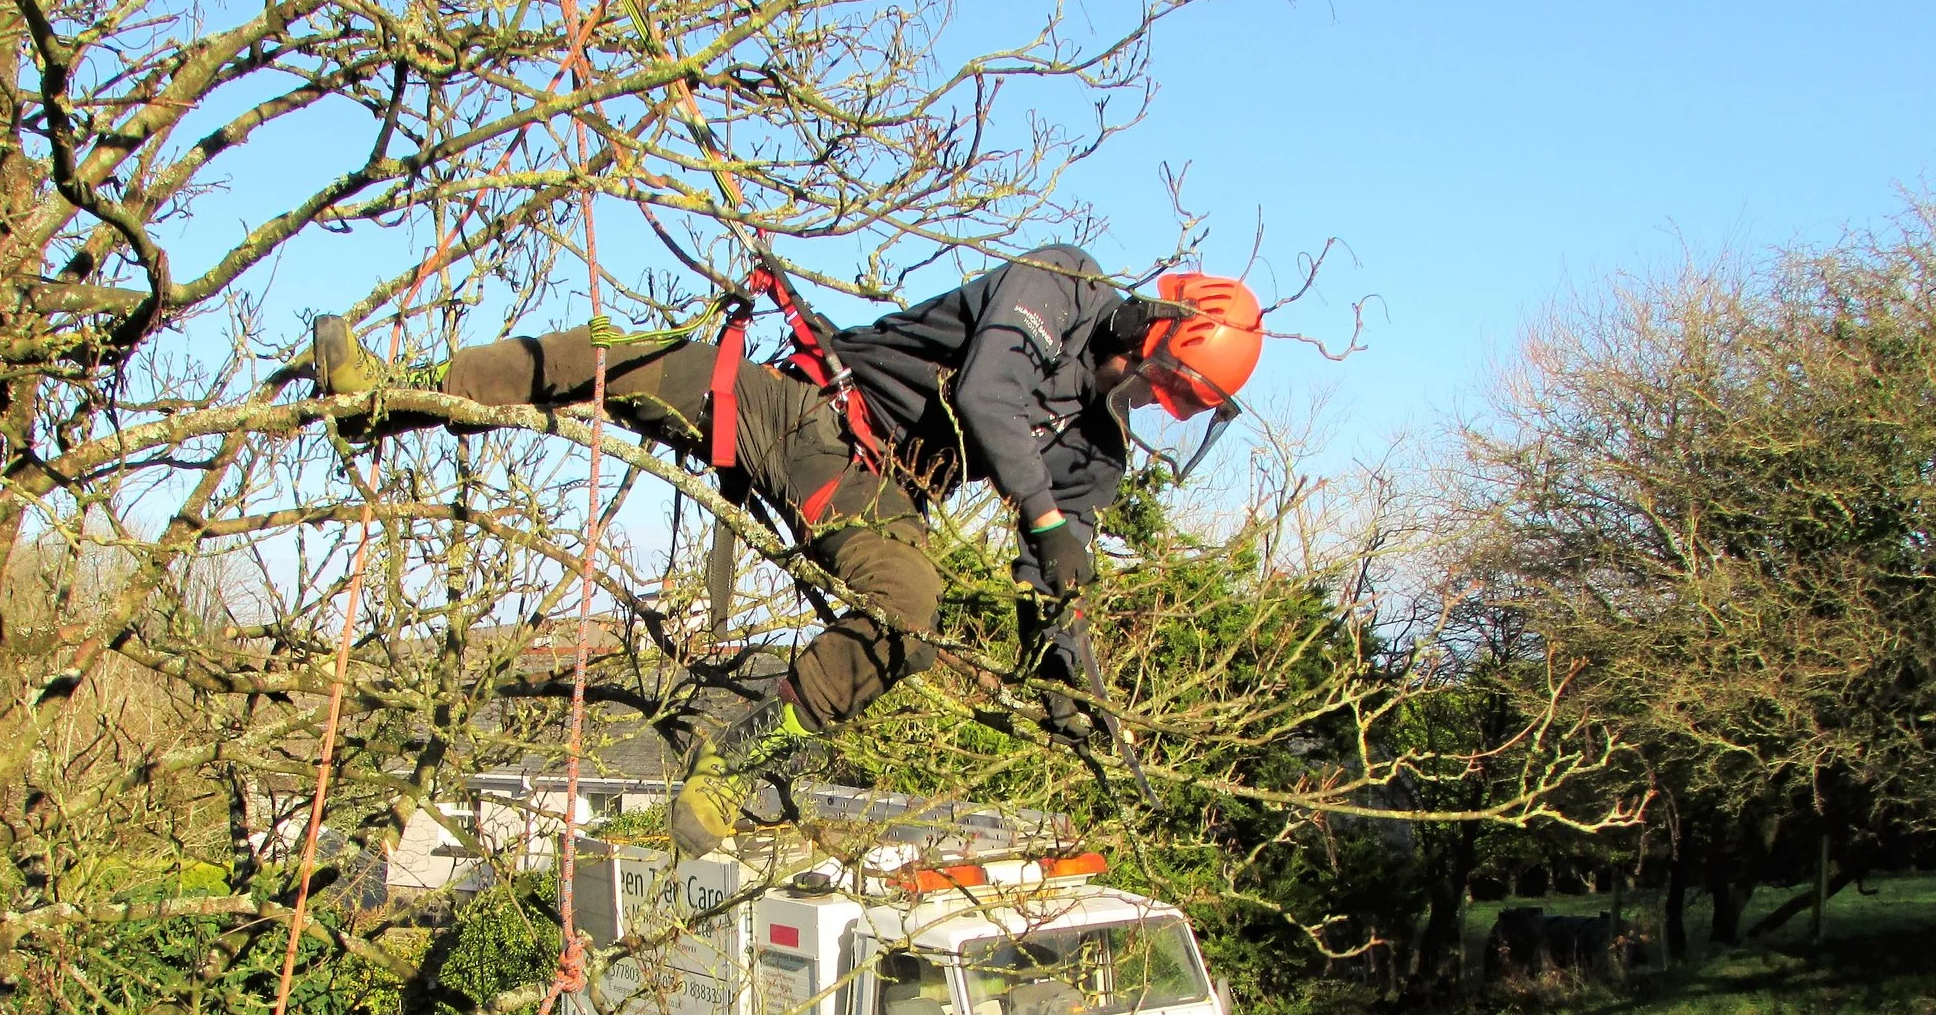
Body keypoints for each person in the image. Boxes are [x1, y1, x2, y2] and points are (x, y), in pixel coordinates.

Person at [318, 246, 1263, 855]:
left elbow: (1055, 571)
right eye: (1167, 385)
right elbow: (984, 399)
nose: (1155, 406)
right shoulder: (1056, 288)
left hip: (882, 492)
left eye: (1180, 409)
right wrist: (1046, 522)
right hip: (812, 408)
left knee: (909, 618)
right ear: (1153, 329)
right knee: (623, 355)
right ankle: (386, 395)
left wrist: (1069, 669)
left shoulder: (1095, 453)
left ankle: (731, 768)